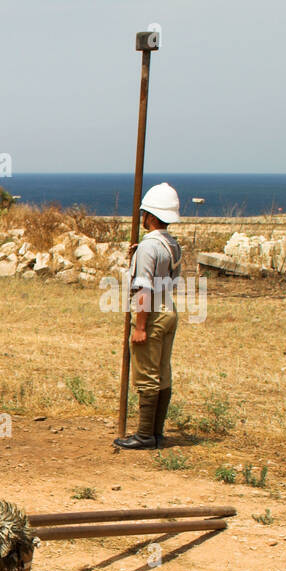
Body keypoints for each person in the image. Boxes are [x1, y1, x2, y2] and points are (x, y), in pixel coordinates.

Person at [115, 182, 182, 450]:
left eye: (144, 214)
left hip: (151, 312)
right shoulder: (171, 244)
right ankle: (156, 433)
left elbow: (144, 287)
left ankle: (144, 435)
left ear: (151, 217)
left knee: (146, 374)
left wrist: (140, 326)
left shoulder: (149, 246)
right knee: (162, 372)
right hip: (169, 309)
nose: (141, 218)